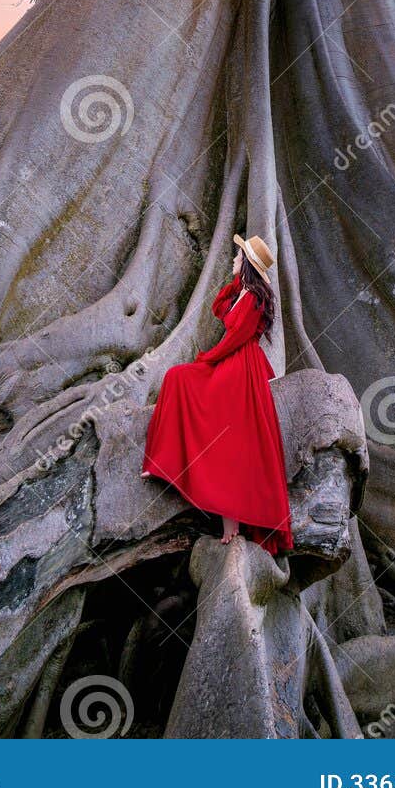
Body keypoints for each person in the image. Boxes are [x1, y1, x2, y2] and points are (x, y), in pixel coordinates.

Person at [141, 234, 292, 555]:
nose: (234, 260)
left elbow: (236, 337)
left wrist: (207, 359)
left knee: (189, 390)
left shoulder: (252, 299)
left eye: (239, 257)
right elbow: (219, 309)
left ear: (248, 264)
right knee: (184, 387)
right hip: (234, 364)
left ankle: (225, 515)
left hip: (239, 368)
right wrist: (237, 284)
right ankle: (164, 464)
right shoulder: (245, 294)